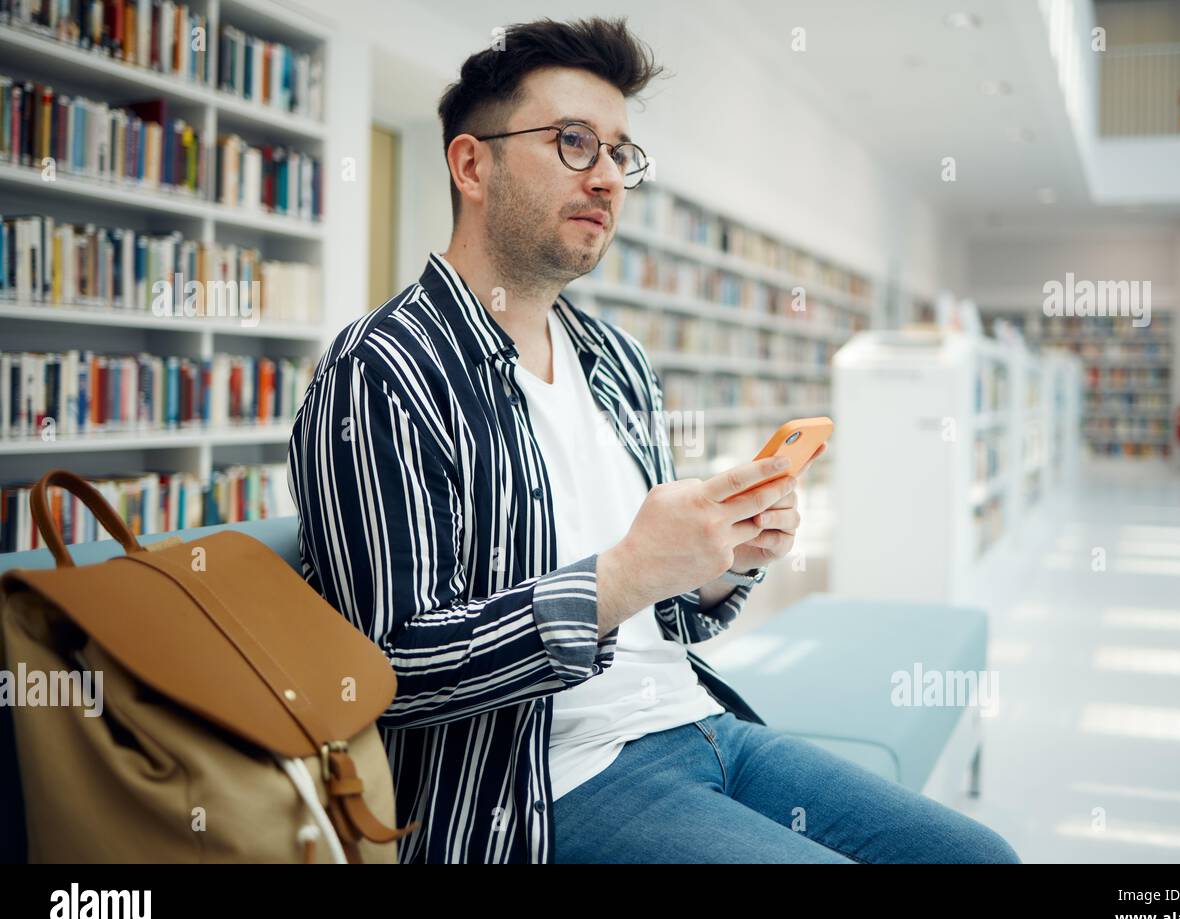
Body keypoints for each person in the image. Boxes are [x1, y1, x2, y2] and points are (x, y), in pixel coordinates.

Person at [287, 16, 1020, 864]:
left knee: (981, 857)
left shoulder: (617, 360)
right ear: (470, 163)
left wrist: (718, 561)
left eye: (619, 154)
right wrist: (624, 572)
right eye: (573, 142)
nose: (606, 178)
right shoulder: (382, 370)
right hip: (538, 784)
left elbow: (667, 618)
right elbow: (388, 671)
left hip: (703, 724)